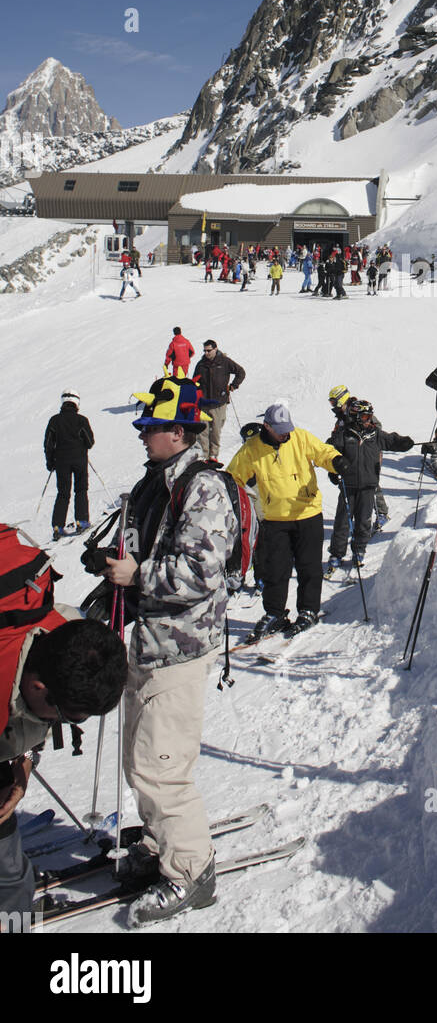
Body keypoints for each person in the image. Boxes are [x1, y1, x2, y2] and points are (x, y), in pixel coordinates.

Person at [99, 374, 237, 926]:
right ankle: (161, 843)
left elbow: (201, 571)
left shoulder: (204, 487)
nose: (142, 436)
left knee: (162, 767)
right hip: (150, 640)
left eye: (150, 428)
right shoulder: (156, 482)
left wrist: (137, 575)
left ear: (178, 432)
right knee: (140, 758)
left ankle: (191, 872)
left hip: (180, 646)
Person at [0, 546, 127, 923]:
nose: (69, 724)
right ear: (39, 687)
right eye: (67, 716)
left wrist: (21, 764)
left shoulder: (64, 629)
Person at [226, 403, 343, 642]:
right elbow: (233, 476)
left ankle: (308, 610)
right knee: (275, 569)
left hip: (308, 513)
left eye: (287, 428)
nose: (285, 433)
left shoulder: (300, 438)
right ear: (266, 426)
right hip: (274, 519)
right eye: (279, 429)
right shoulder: (252, 449)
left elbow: (323, 453)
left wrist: (337, 462)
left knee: (309, 567)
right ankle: (275, 613)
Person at [325, 399, 413, 576]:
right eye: (365, 416)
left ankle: (359, 549)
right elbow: (329, 451)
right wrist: (332, 470)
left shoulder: (375, 434)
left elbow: (391, 440)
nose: (368, 420)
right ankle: (337, 553)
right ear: (356, 417)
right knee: (342, 521)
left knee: (364, 520)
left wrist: (404, 443)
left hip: (368, 485)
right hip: (348, 485)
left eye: (369, 416)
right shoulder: (344, 434)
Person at [328, 385, 389, 530]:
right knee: (353, 481)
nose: (332, 406)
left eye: (333, 401)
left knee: (370, 481)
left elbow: (377, 426)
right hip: (351, 453)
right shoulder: (342, 418)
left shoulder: (359, 408)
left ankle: (382, 512)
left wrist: (369, 437)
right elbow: (336, 435)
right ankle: (358, 514)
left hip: (369, 451)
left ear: (341, 399)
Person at [44, 391, 95, 540]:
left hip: (61, 462)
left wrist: (50, 461)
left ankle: (58, 527)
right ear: (76, 403)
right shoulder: (81, 420)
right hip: (79, 459)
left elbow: (48, 444)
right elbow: (90, 442)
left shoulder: (54, 420)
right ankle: (82, 521)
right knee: (81, 489)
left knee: (63, 493)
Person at [192, 340, 246, 463]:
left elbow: (241, 372)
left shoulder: (225, 362)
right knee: (202, 432)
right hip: (203, 404)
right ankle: (204, 457)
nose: (206, 353)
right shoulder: (201, 365)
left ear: (215, 349)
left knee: (215, 431)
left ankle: (213, 455)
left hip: (219, 403)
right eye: (204, 351)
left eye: (208, 350)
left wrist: (234, 385)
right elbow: (194, 381)